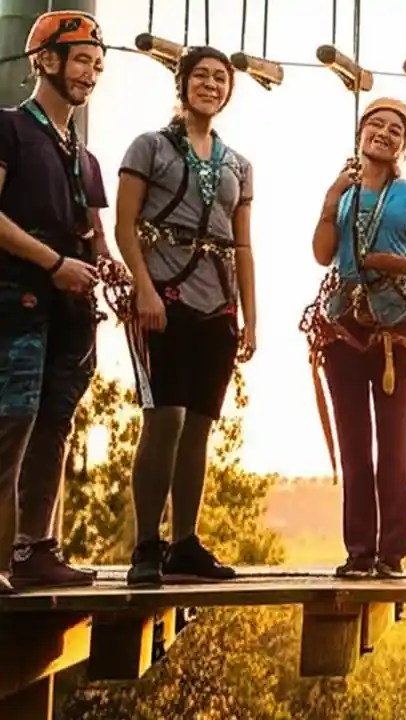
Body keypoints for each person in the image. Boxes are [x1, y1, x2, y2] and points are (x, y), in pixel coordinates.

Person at [116, 46, 256, 586]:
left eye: (220, 79)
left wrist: (249, 314)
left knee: (200, 424)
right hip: (164, 296)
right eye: (201, 76)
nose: (211, 85)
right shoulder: (149, 146)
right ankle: (146, 545)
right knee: (165, 418)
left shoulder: (238, 164)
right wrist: (143, 288)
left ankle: (185, 543)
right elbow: (126, 225)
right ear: (182, 83)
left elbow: (243, 245)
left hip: (217, 302)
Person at [0, 10, 108, 592]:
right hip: (15, 304)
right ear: (46, 60)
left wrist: (102, 260)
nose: (90, 73)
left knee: (53, 427)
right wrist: (52, 263)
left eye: (97, 63)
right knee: (8, 422)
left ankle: (34, 549)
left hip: (70, 315)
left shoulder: (83, 156)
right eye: (81, 60)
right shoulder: (9, 129)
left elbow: (93, 228)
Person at [304, 97, 406, 579]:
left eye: (396, 129)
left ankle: (392, 551)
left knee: (394, 443)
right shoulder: (345, 192)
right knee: (355, 442)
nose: (384, 132)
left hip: (396, 323)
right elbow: (321, 253)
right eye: (376, 124)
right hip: (343, 323)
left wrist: (389, 263)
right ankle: (359, 550)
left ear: (404, 144)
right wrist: (333, 195)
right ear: (360, 133)